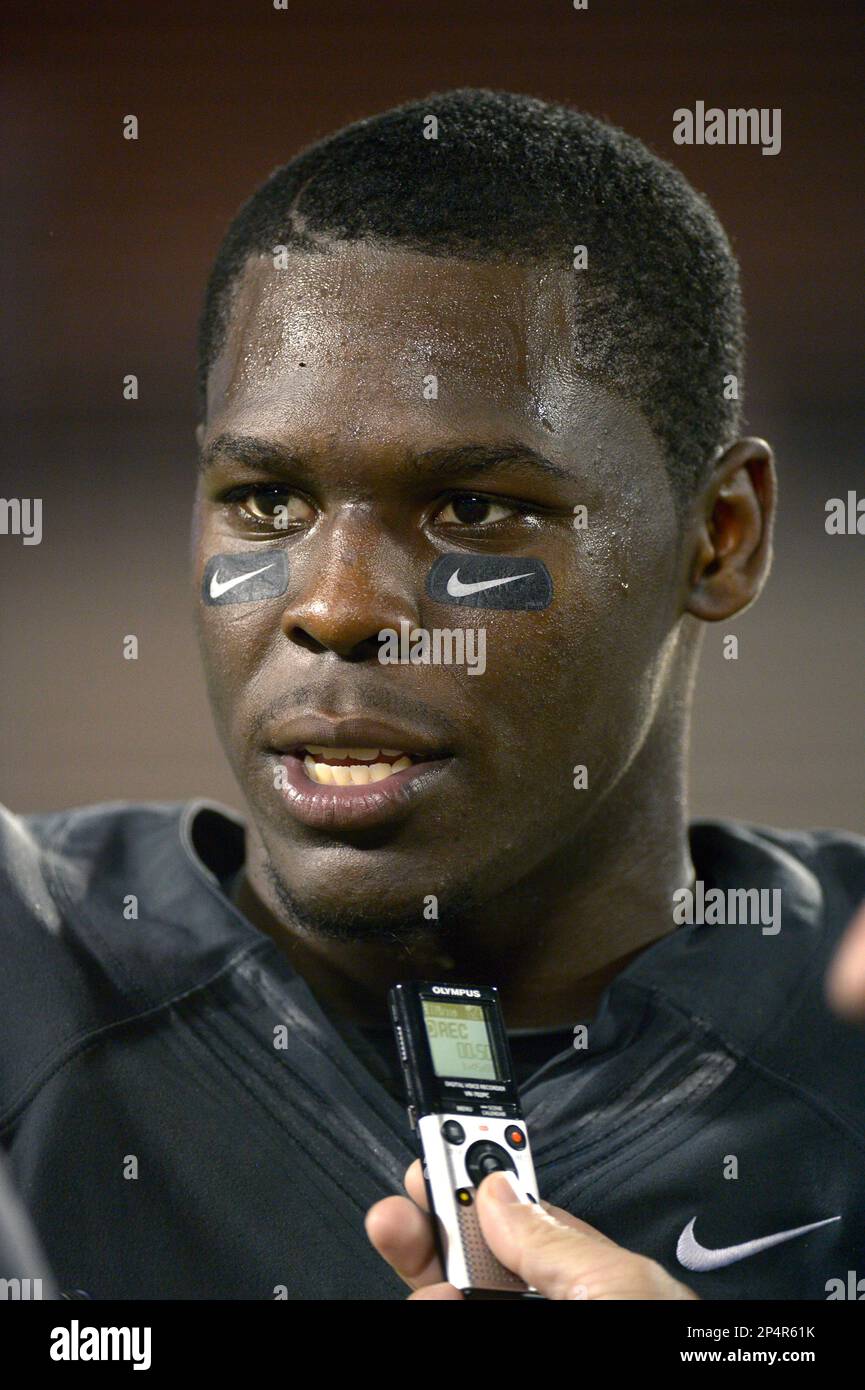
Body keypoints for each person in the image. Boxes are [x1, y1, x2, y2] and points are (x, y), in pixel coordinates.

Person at [1, 89, 863, 1302]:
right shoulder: (24, 972)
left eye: (471, 508)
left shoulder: (842, 1020)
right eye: (265, 501)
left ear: (719, 537)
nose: (337, 606)